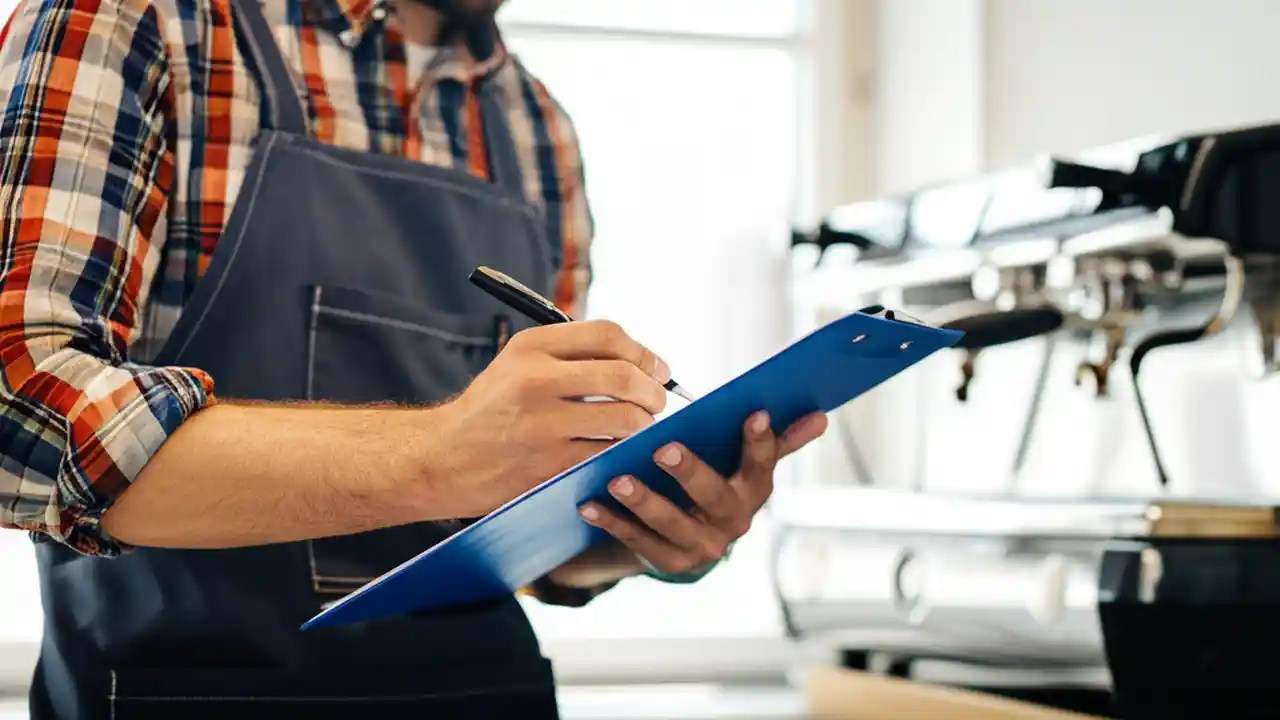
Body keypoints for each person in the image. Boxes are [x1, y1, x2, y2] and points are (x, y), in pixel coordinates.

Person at [0, 0, 829, 717]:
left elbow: (527, 532)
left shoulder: (537, 128)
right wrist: (439, 456)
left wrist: (648, 534)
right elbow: (18, 407)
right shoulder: (140, 22)